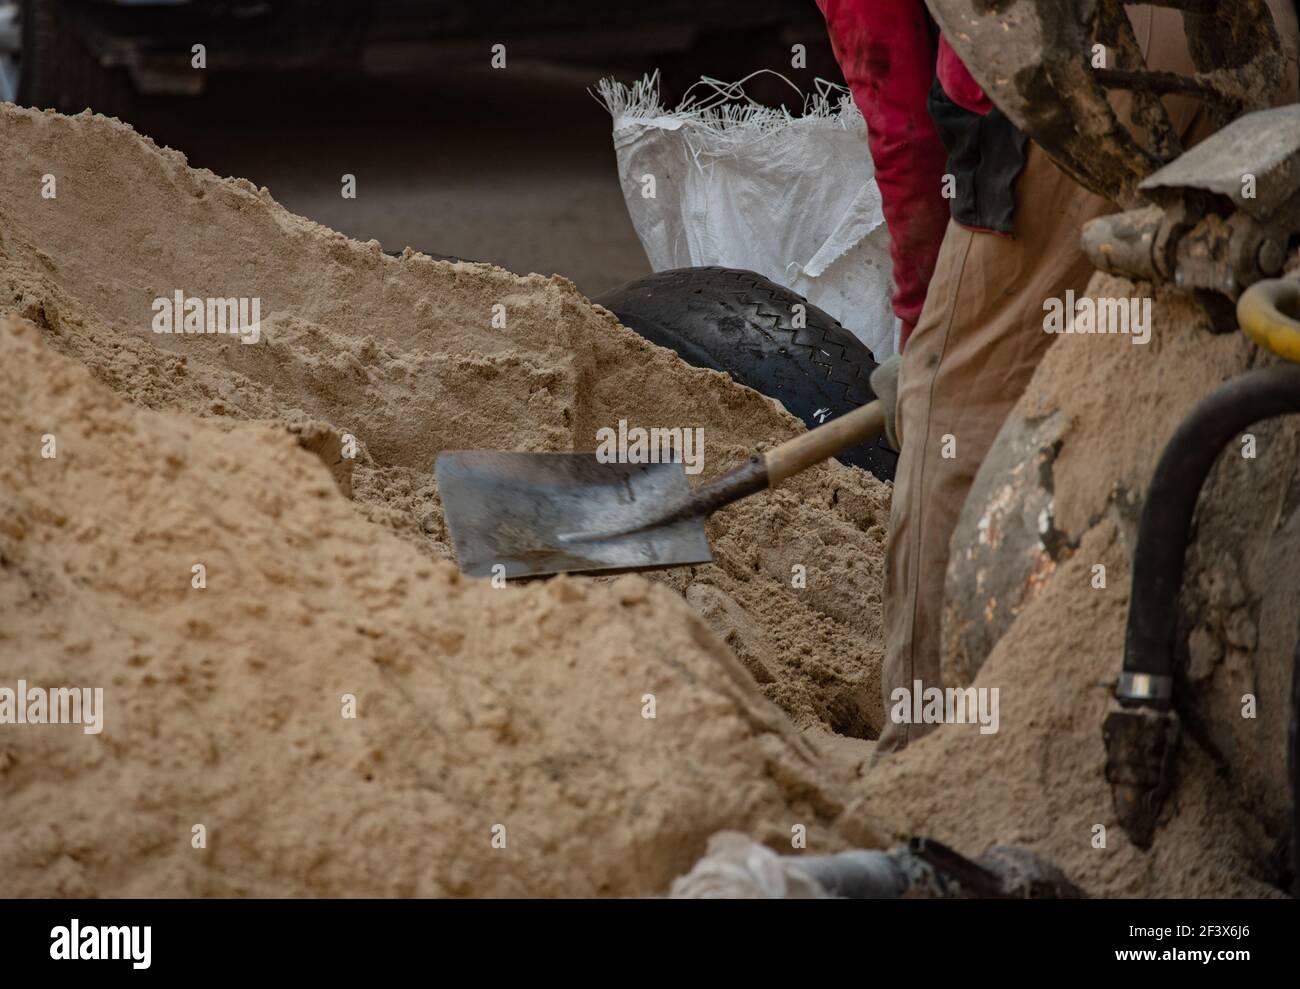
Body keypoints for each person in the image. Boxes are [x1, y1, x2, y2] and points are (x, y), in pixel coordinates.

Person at [816, 0, 1300, 754]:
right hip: (1244, 41)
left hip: (1081, 51)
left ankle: (926, 755)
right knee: (1160, 355)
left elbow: (902, 126)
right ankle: (1132, 713)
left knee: (956, 418)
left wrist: (924, 342)